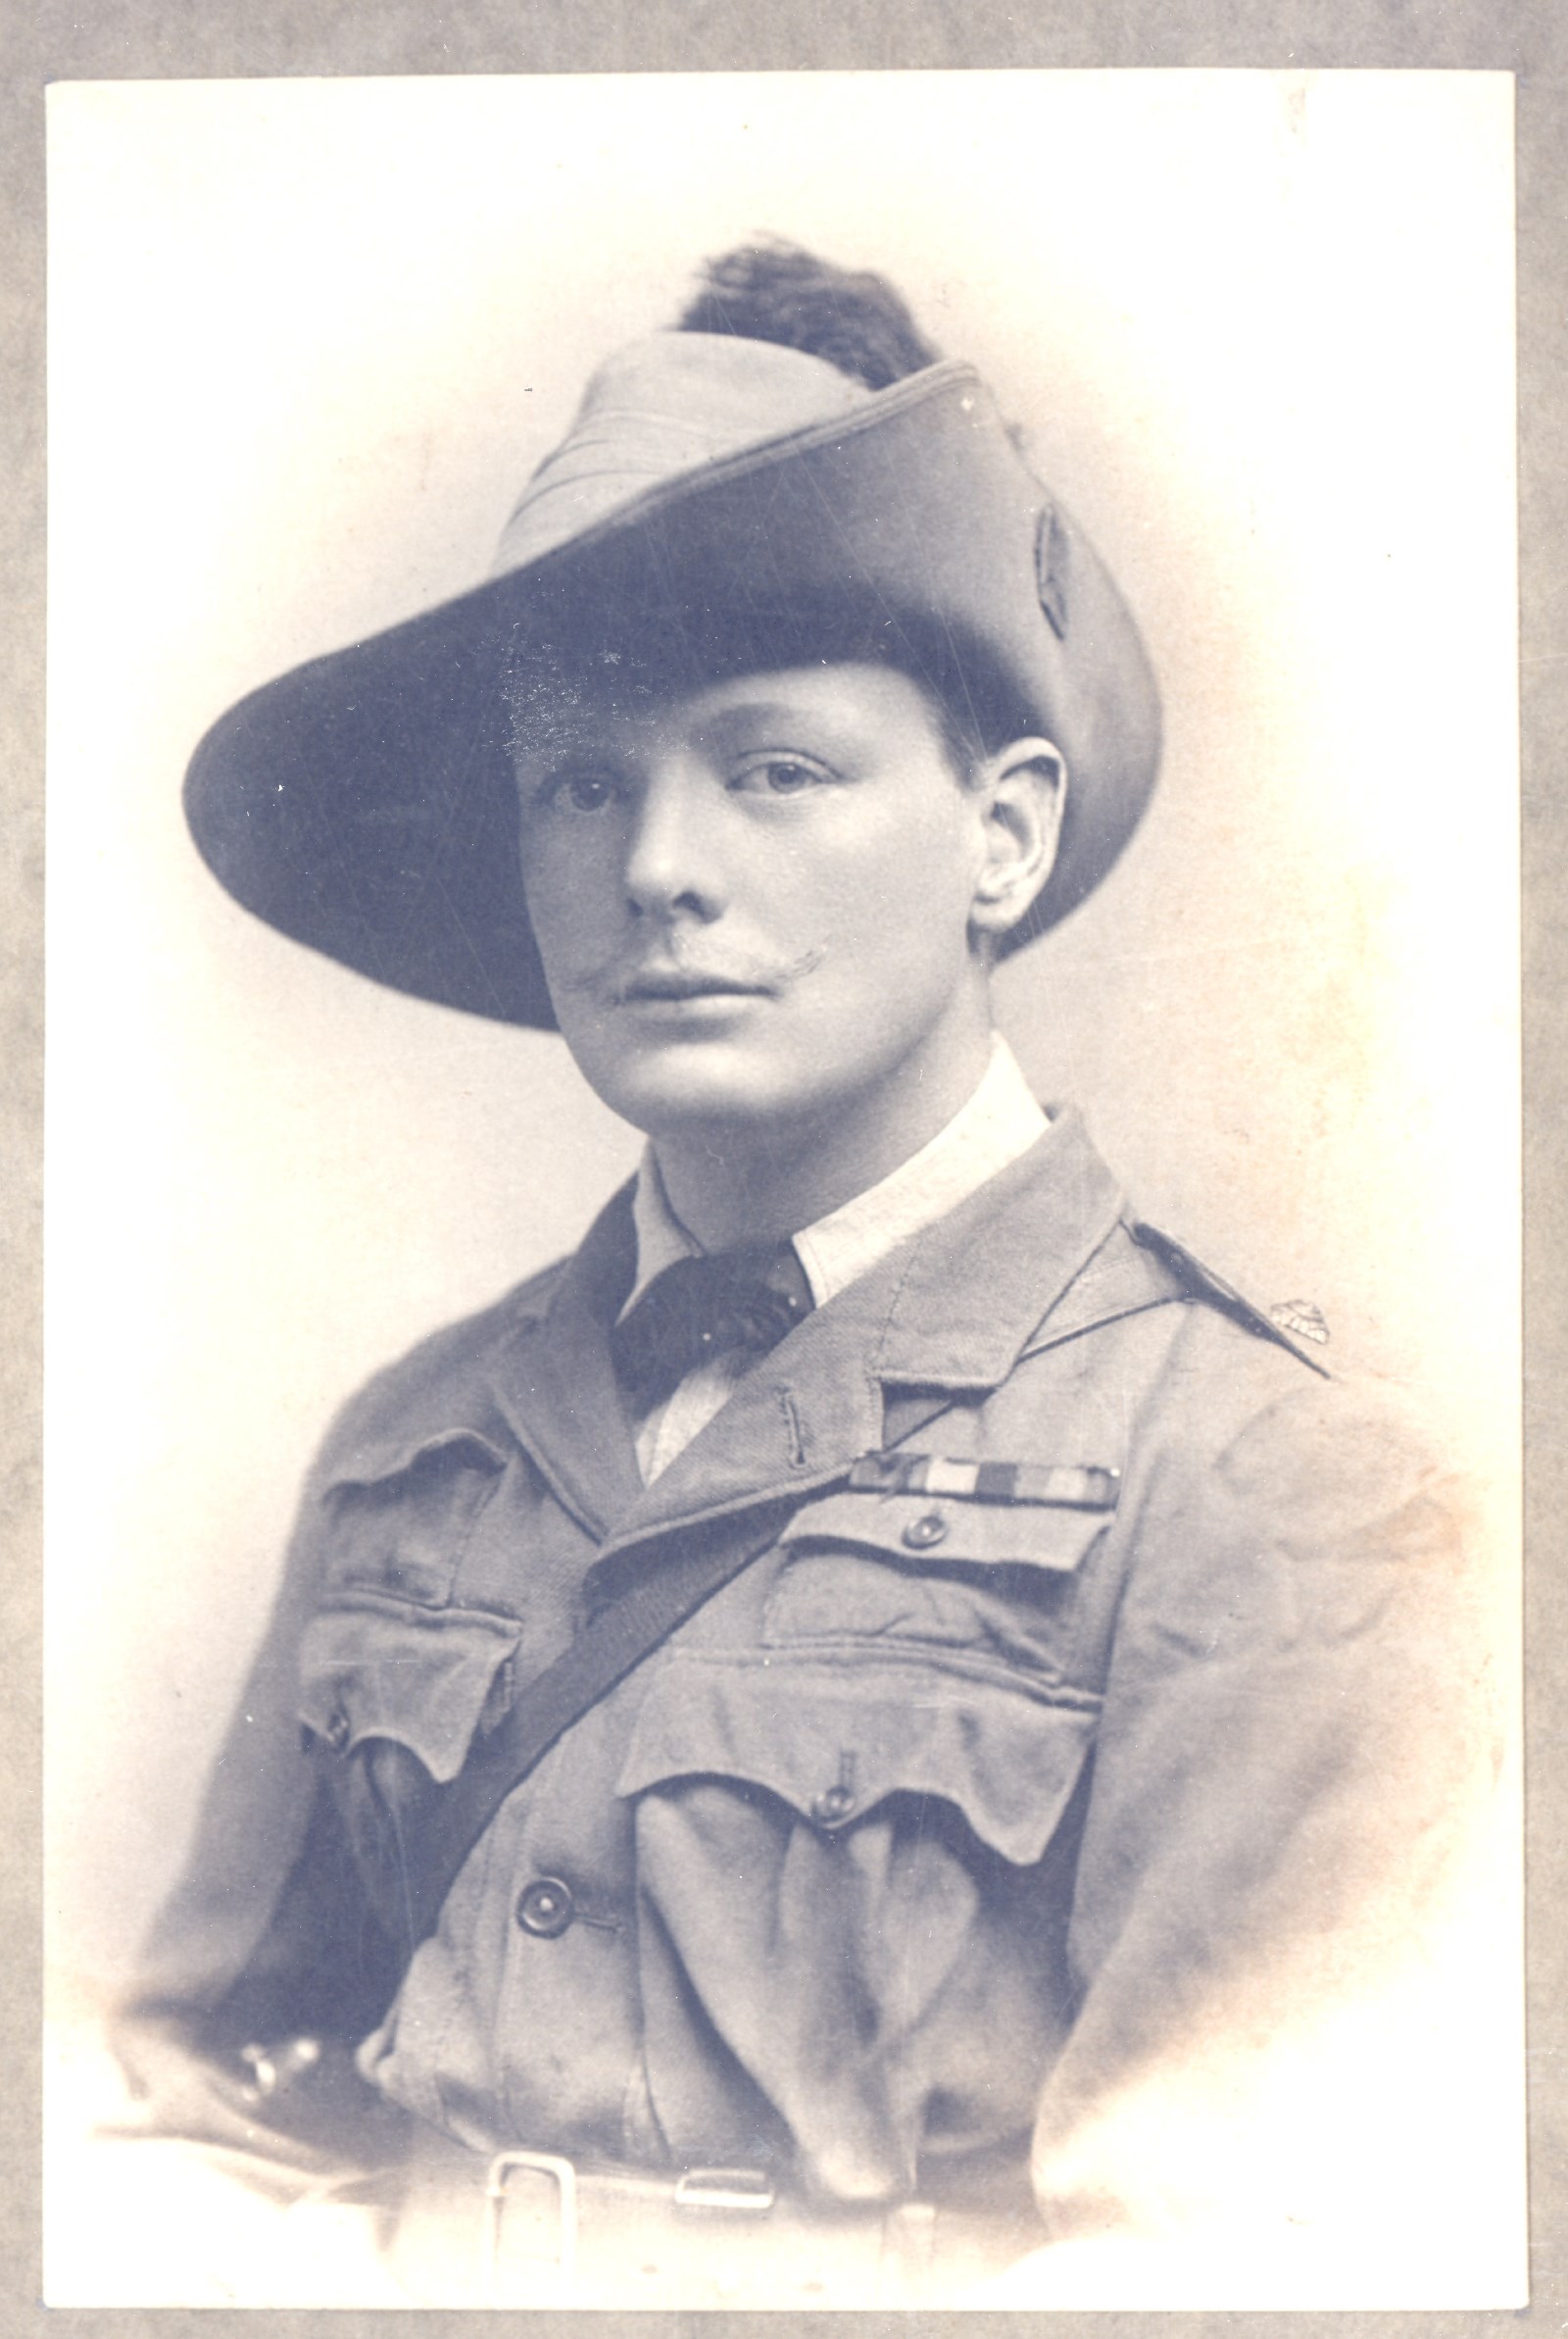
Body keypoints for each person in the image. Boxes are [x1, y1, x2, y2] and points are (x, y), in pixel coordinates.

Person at [99, 245, 1489, 2308]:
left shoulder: (1274, 1489)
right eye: (582, 779)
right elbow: (201, 2117)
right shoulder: (420, 1447)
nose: (656, 862)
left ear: (996, 839)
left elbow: (1225, 2266)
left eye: (771, 768)